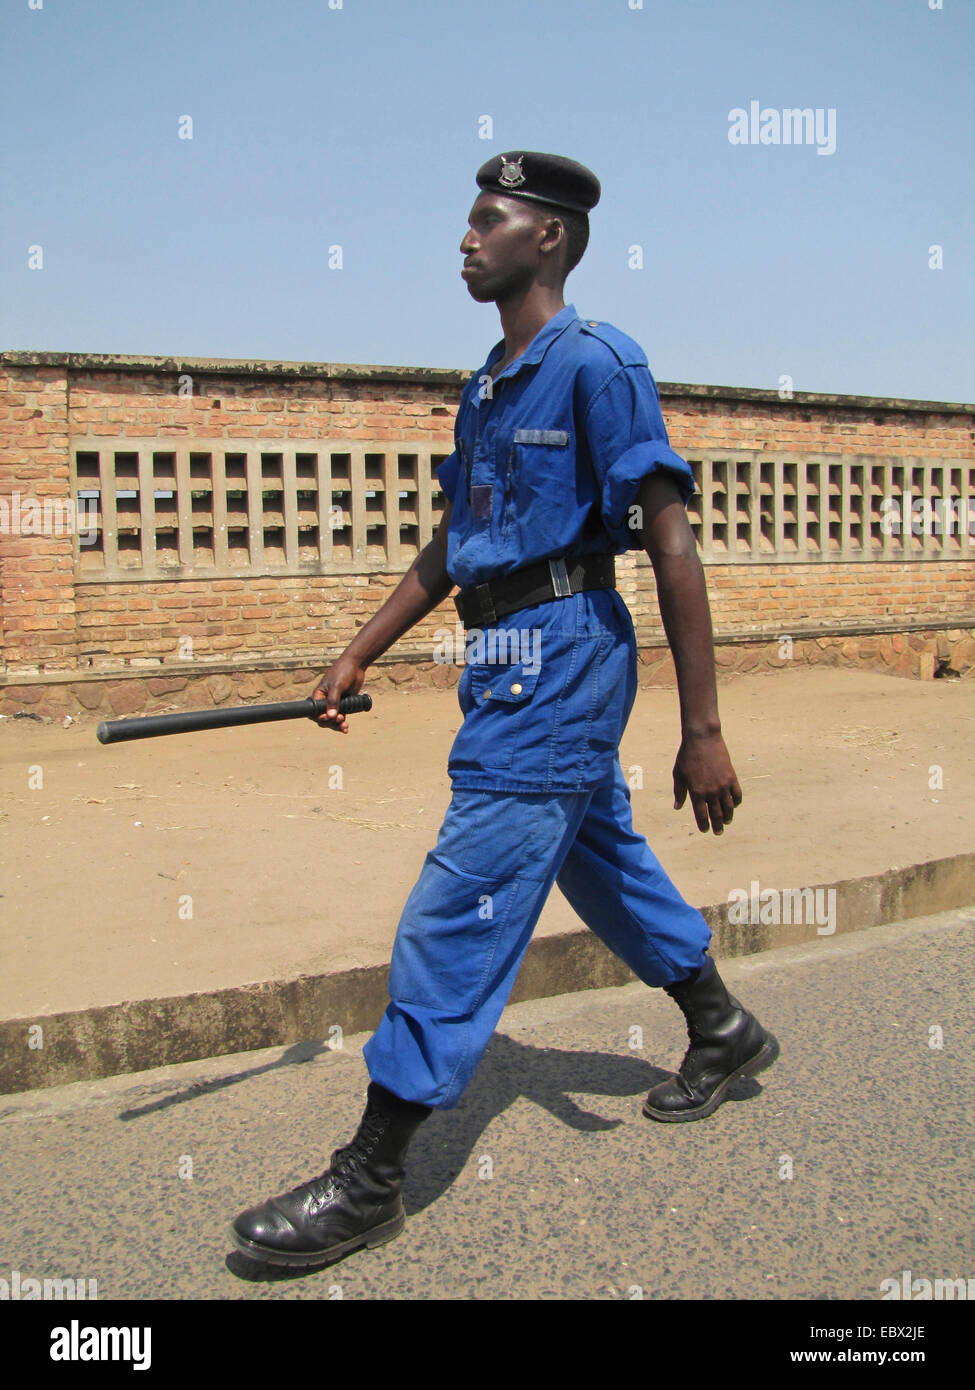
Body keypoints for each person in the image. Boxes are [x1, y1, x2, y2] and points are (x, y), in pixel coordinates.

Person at [231, 151, 779, 1271]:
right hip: (505, 652)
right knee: (596, 856)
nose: (467, 239)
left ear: (552, 240)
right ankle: (722, 1025)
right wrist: (354, 652)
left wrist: (704, 725)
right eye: (468, 221)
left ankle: (370, 1177)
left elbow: (669, 533)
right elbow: (453, 546)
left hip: (566, 652)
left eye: (491, 221)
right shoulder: (488, 381)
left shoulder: (600, 362)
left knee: (459, 901)